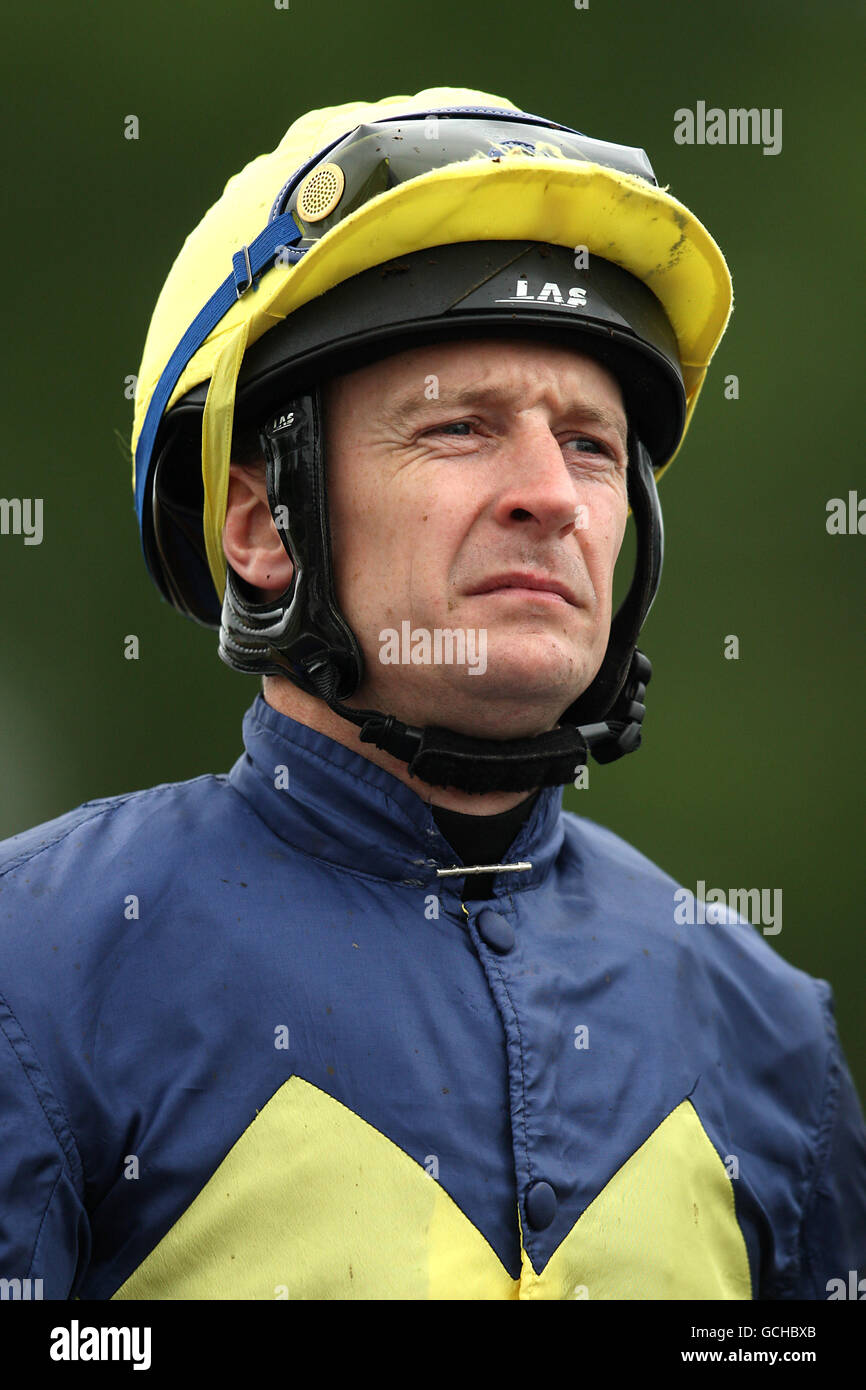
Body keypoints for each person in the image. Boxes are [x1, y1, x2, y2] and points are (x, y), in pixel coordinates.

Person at [1, 86, 864, 1302]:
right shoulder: (32, 968)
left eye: (590, 444)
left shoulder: (767, 1028)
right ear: (260, 524)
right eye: (457, 426)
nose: (548, 495)